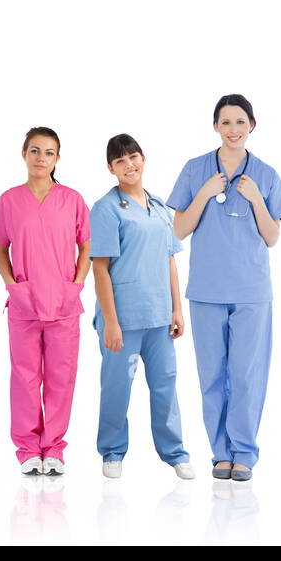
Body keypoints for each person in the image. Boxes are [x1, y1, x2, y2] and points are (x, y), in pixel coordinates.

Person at [167, 94, 281, 482]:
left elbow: (272, 237)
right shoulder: (194, 170)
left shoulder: (266, 175)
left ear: (251, 125)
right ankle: (221, 453)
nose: (233, 130)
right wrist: (204, 192)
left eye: (240, 122)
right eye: (226, 122)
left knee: (246, 375)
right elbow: (179, 230)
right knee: (212, 376)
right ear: (215, 126)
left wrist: (256, 200)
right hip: (206, 290)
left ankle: (245, 453)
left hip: (252, 291)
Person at [90, 133, 194, 480]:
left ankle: (175, 453)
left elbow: (169, 260)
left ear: (143, 158)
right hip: (123, 317)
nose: (128, 165)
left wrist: (177, 310)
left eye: (132, 157)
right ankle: (112, 450)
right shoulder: (106, 209)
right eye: (120, 161)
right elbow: (99, 267)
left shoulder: (160, 206)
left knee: (165, 384)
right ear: (111, 168)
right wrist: (111, 322)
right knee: (118, 386)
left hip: (159, 316)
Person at [0, 126, 90, 476]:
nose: (41, 158)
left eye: (49, 152)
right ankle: (28, 449)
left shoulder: (72, 200)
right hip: (24, 302)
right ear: (23, 154)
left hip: (64, 302)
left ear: (57, 158)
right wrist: (11, 287)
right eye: (35, 151)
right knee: (25, 377)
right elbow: (1, 250)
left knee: (62, 378)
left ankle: (54, 449)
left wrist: (75, 286)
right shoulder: (8, 201)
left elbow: (86, 247)